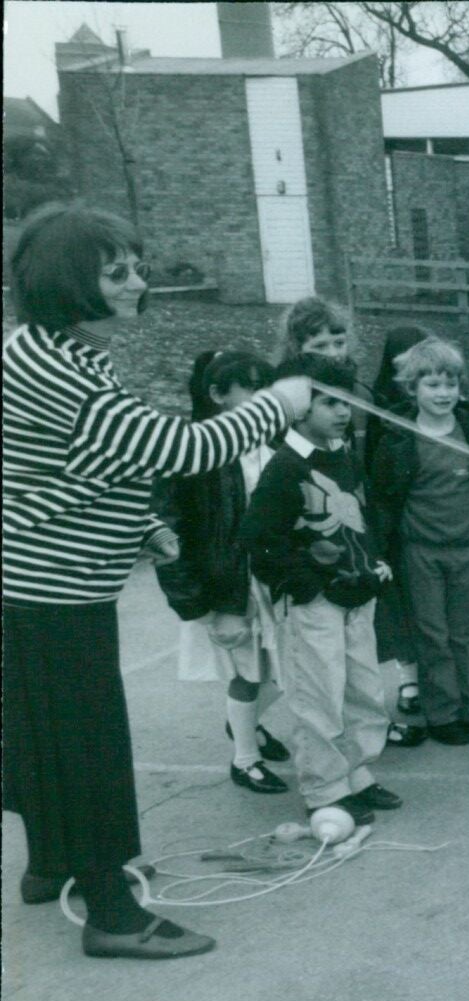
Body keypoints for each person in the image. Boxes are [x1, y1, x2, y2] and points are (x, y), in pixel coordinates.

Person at [4, 204, 312, 959]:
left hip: (48, 584)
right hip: (49, 591)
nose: (139, 281)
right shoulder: (54, 366)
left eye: (136, 265)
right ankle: (113, 912)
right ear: (66, 282)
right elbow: (178, 447)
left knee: (46, 735)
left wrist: (139, 525)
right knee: (85, 744)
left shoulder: (56, 352)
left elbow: (73, 464)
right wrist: (280, 401)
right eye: (118, 271)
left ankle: (51, 865)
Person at [244, 352, 402, 827]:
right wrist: (309, 584)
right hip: (314, 604)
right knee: (318, 695)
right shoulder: (284, 467)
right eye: (328, 402)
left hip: (356, 598)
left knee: (363, 689)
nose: (341, 412)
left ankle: (356, 773)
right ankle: (324, 788)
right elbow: (258, 541)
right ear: (297, 407)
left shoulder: (344, 456)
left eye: (345, 402)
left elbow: (359, 519)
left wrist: (371, 565)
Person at [156, 351, 293, 794]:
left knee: (283, 669)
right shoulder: (193, 454)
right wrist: (201, 605)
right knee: (247, 673)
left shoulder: (272, 444)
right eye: (251, 390)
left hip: (271, 579)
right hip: (229, 587)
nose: (263, 400)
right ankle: (245, 758)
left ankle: (245, 725)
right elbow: (170, 535)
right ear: (216, 395)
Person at [369, 338, 469, 746]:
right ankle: (443, 713)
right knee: (433, 634)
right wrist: (383, 550)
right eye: (432, 385)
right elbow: (383, 500)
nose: (443, 393)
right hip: (421, 553)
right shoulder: (397, 437)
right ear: (411, 389)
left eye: (450, 384)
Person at [365, 325, 432, 737]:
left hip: (430, 517)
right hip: (395, 520)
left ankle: (434, 677)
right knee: (404, 604)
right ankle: (409, 679)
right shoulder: (381, 410)